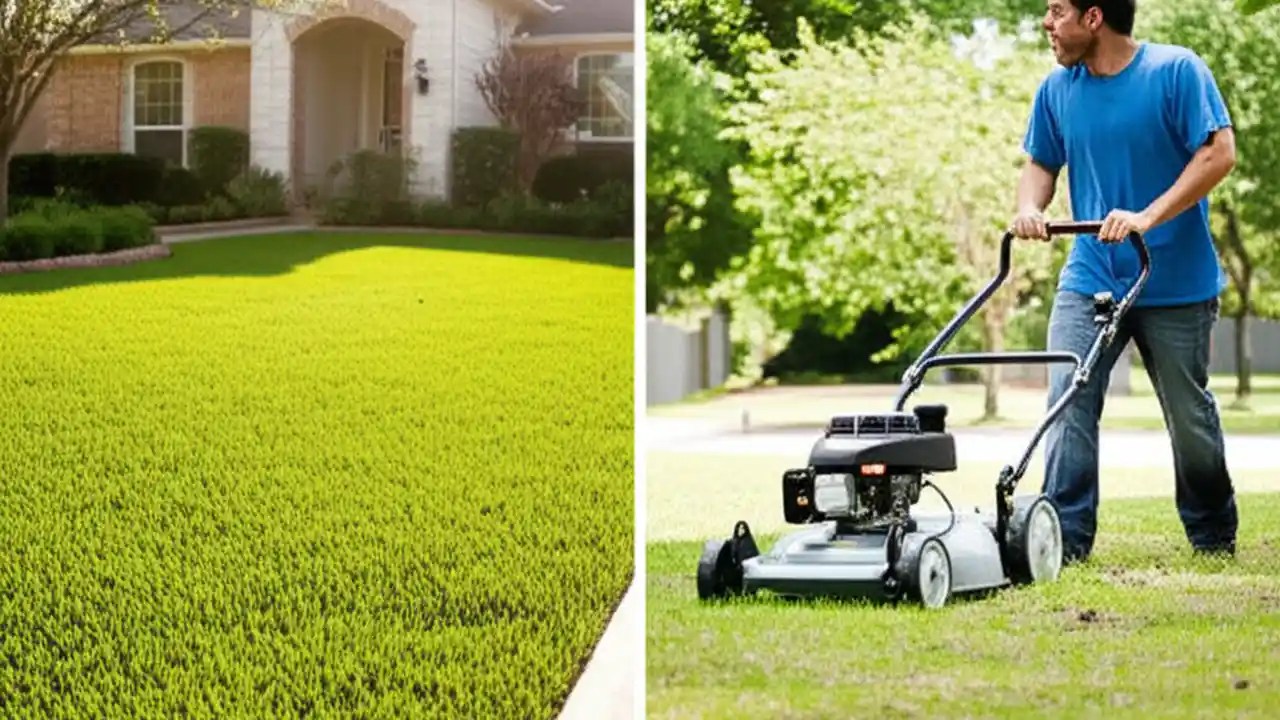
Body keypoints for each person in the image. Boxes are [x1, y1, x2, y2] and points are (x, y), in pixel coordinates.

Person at [1010, 0, 1239, 563]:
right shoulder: (1057, 90)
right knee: (1068, 401)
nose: (1046, 23)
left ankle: (1212, 536)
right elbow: (1041, 164)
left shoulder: (1176, 71)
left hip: (1175, 282)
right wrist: (1028, 208)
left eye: (1056, 11)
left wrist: (1146, 216)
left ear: (1093, 17)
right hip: (1090, 276)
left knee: (1189, 417)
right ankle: (1064, 543)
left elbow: (1219, 152)